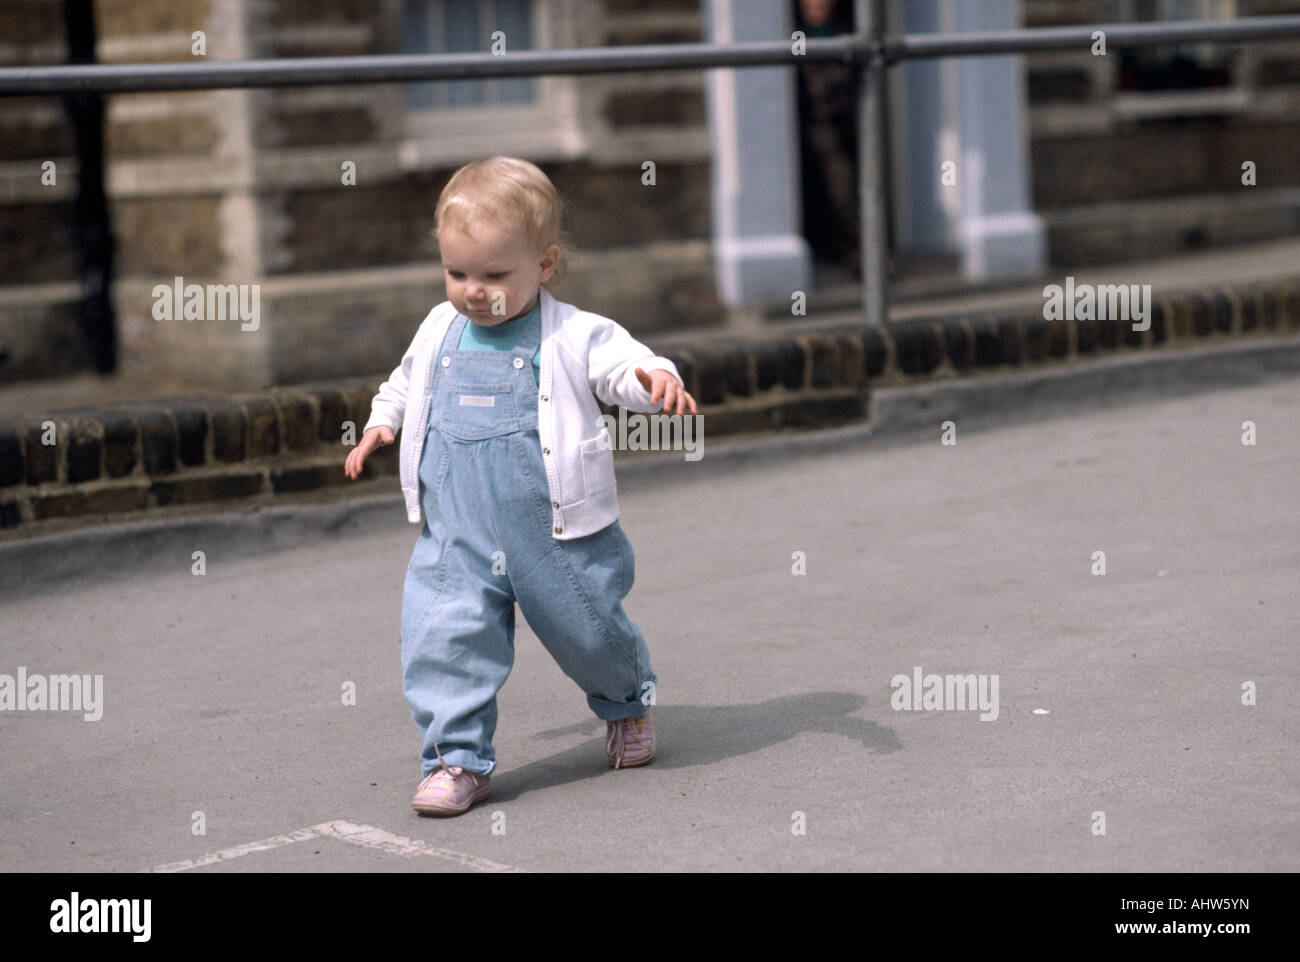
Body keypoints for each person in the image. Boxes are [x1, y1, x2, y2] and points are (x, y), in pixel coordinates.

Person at [345, 156, 697, 816]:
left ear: (545, 264)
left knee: (588, 630)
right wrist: (380, 423)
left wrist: (653, 379)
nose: (473, 291)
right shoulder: (437, 328)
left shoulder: (570, 333)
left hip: (553, 534)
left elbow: (622, 364)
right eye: (457, 273)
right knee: (443, 637)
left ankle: (626, 702)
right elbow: (402, 381)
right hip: (458, 531)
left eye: (494, 275)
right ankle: (455, 759)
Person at [795, 0, 862, 276]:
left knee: (849, 186)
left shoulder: (846, 29)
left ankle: (857, 253)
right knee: (835, 187)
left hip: (844, 124)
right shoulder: (796, 34)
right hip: (814, 126)